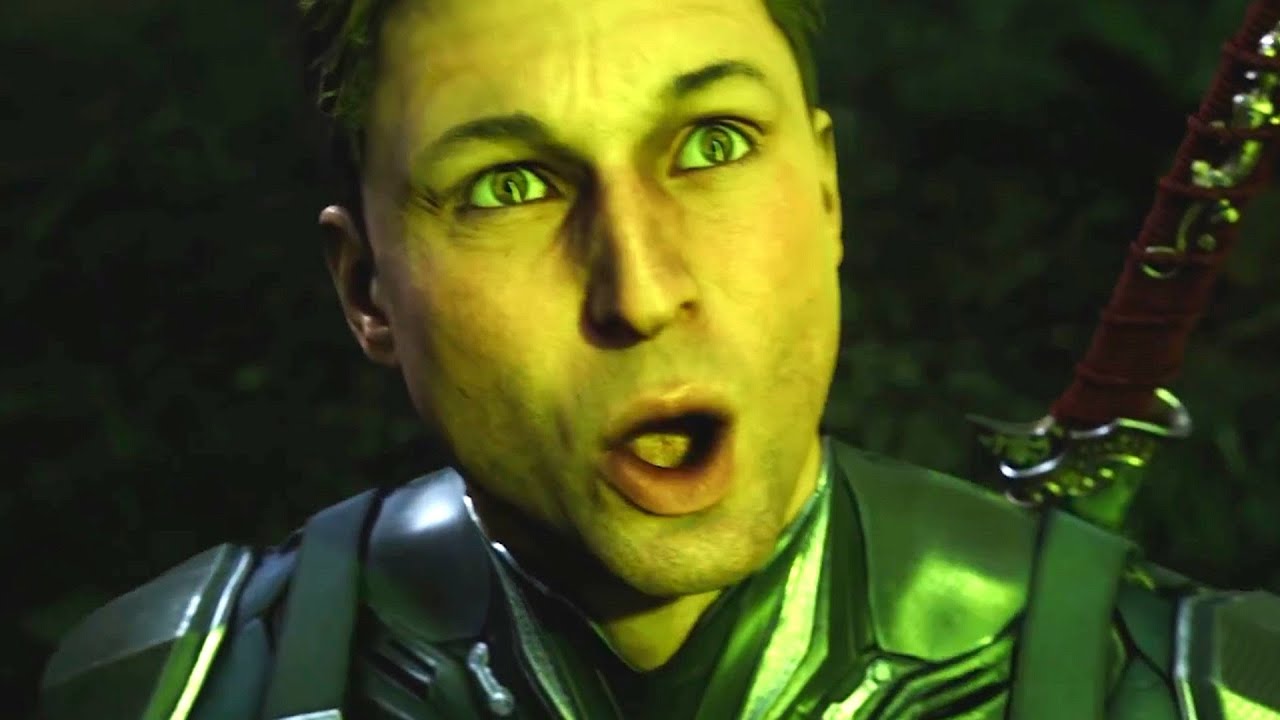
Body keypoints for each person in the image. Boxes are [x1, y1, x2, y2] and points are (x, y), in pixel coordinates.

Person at [38, 0, 1280, 718]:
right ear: (367, 290)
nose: (638, 289)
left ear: (828, 195)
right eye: (510, 185)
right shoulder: (179, 687)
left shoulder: (1206, 691)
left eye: (713, 144)